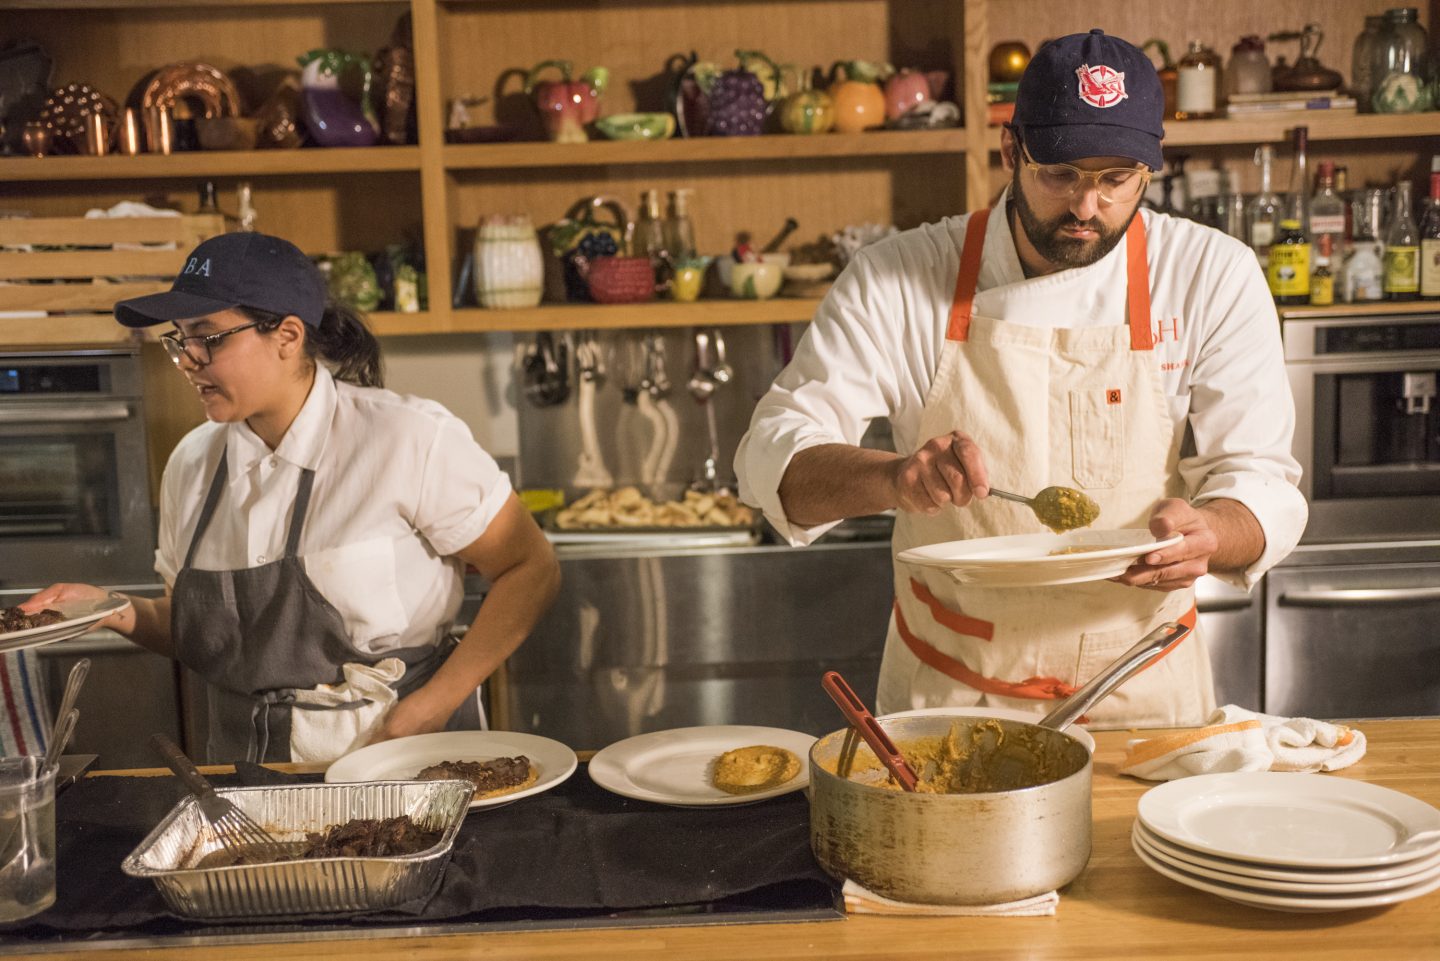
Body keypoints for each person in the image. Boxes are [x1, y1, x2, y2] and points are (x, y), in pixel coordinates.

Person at [735, 30, 1308, 729]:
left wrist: (1209, 531)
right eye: (1061, 173)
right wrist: (894, 478)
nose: (1087, 207)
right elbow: (774, 457)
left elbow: (1261, 484)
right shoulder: (898, 276)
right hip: (946, 705)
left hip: (1143, 702)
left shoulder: (1211, 276)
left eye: (1115, 179)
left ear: (1150, 171)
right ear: (1011, 151)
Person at [22, 232, 560, 763]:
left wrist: (431, 708)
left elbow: (530, 567)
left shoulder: (406, 438)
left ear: (287, 335)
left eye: (208, 337)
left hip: (404, 760)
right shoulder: (191, 465)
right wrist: (108, 610)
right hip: (247, 778)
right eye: (179, 338)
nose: (186, 360)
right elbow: (199, 632)